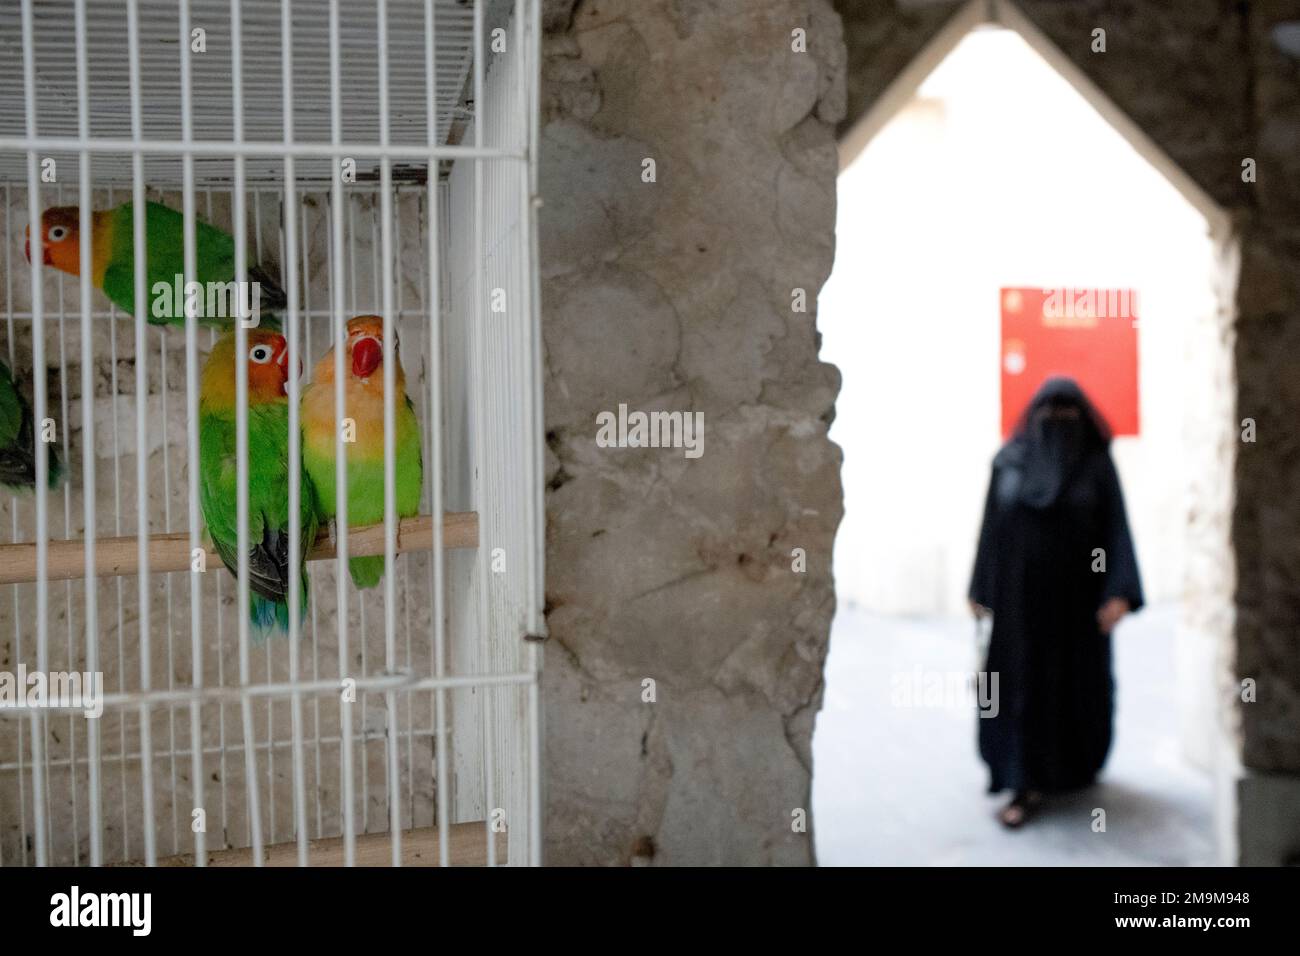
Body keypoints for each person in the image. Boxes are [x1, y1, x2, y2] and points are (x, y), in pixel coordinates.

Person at [968, 376, 1143, 828]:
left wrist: (1118, 591)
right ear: (1034, 415)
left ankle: (1070, 768)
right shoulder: (1008, 462)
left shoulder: (1095, 465)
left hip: (1077, 610)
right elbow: (991, 531)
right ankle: (1020, 782)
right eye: (1051, 412)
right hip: (1015, 610)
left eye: (1069, 413)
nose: (1060, 422)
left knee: (1072, 692)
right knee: (1018, 692)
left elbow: (1114, 530)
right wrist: (979, 590)